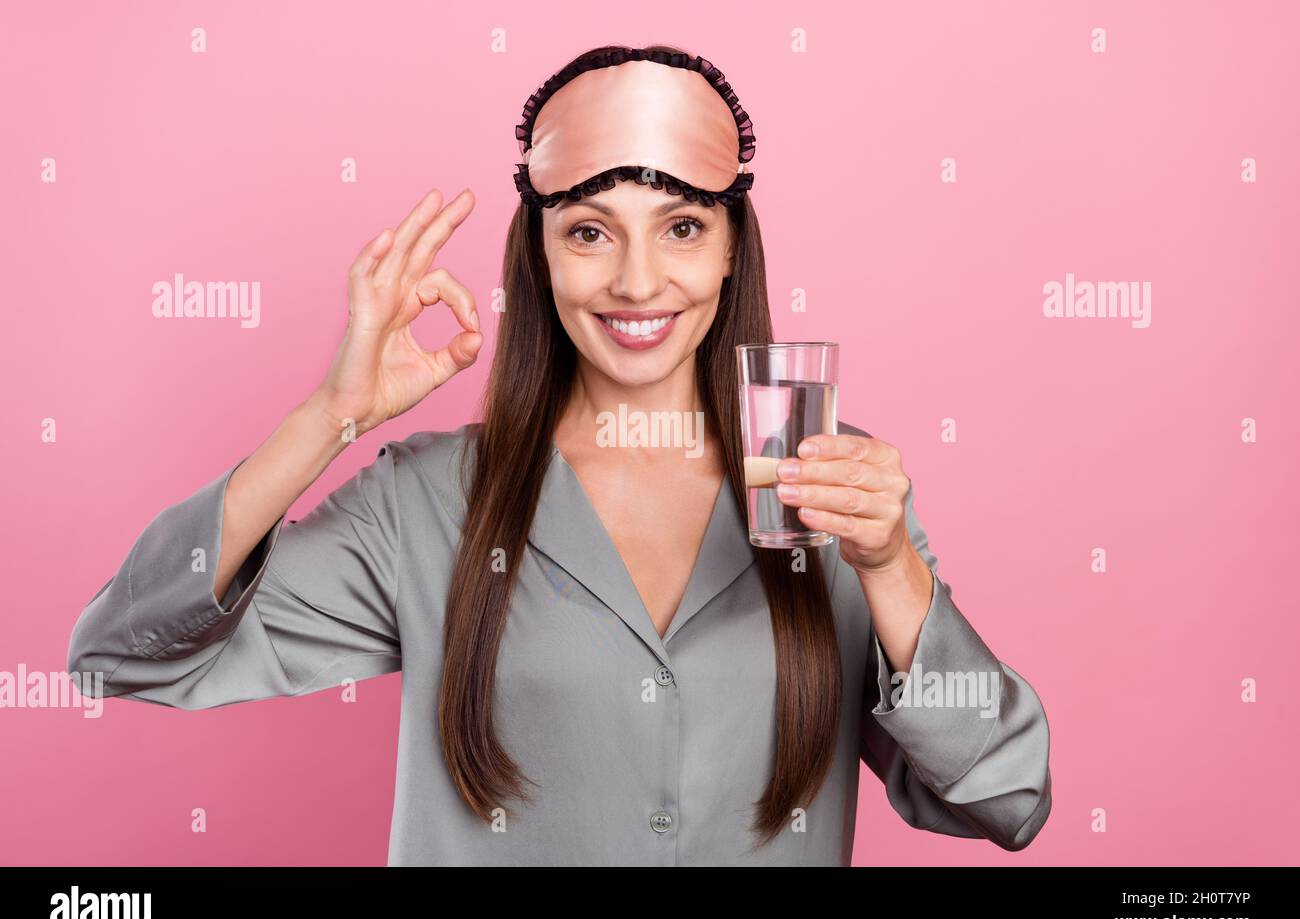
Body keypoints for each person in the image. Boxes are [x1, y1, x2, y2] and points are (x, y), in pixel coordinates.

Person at [66, 44, 1052, 865]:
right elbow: (120, 655)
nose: (636, 280)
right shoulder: (425, 501)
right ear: (537, 253)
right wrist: (330, 414)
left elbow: (1006, 795)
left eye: (679, 228)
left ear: (728, 252)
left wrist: (893, 567)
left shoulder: (832, 482)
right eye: (588, 231)